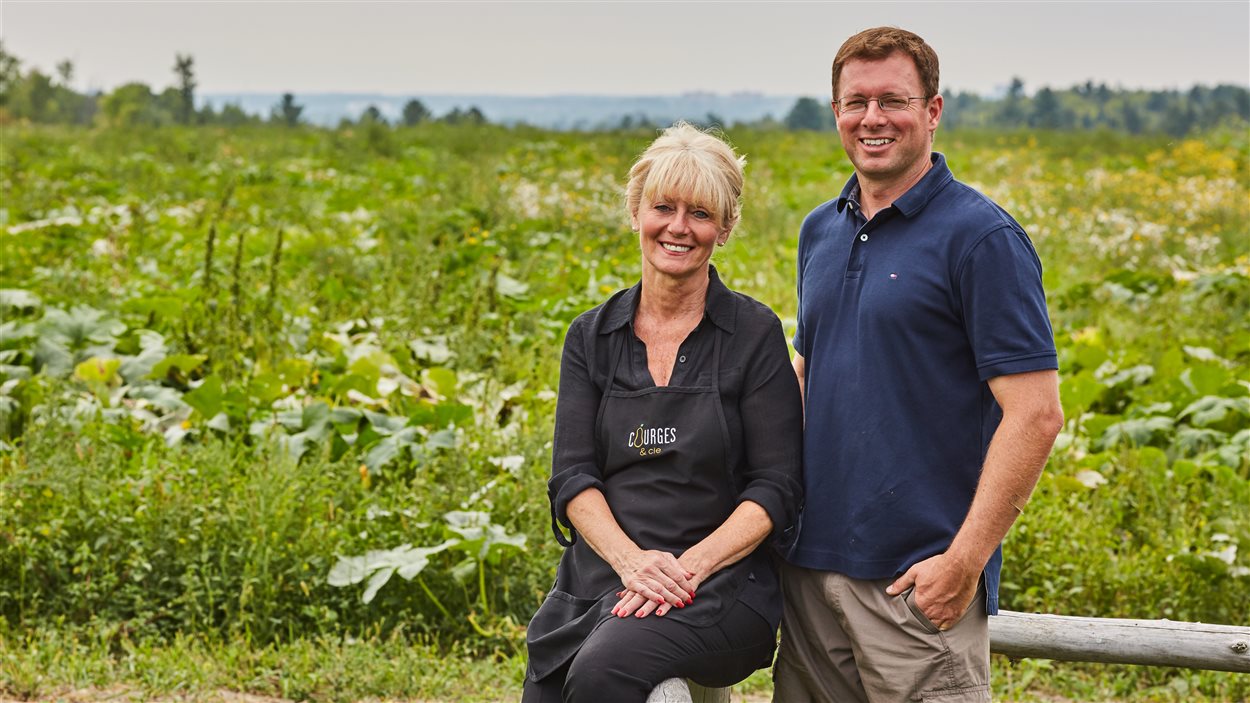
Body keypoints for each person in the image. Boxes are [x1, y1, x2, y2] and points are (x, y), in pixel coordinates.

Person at [776, 27, 1064, 702]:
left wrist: (963, 563)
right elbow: (809, 372)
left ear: (932, 111)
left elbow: (1036, 413)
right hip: (810, 576)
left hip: (917, 586)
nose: (872, 119)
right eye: (856, 102)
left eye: (893, 101)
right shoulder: (822, 227)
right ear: (836, 111)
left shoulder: (982, 238)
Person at [523, 123, 804, 703]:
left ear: (725, 228)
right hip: (603, 577)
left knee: (606, 670)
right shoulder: (591, 337)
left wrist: (688, 569)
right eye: (663, 207)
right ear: (635, 212)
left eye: (700, 213)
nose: (679, 228)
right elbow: (573, 478)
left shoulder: (753, 335)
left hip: (720, 585)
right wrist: (632, 564)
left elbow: (776, 487)